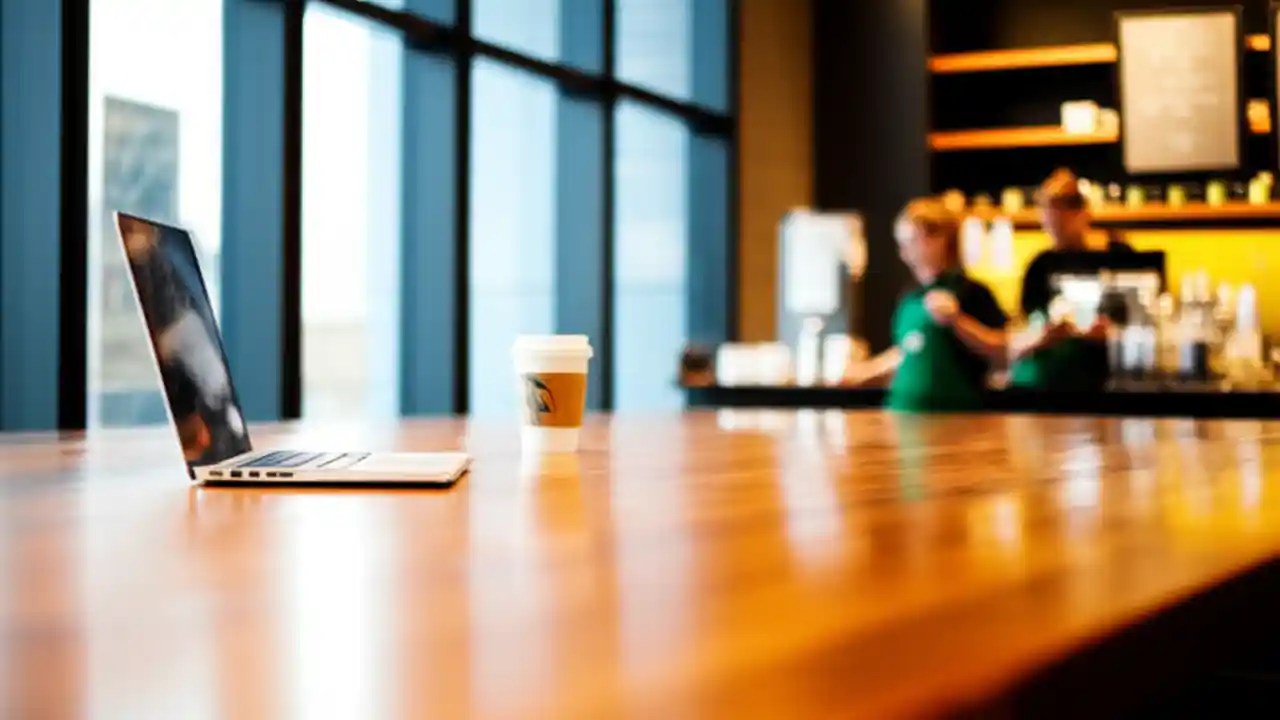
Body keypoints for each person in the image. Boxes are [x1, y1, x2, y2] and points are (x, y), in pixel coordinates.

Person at [845, 198, 1008, 412]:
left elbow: (1003, 352)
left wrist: (957, 321)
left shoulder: (972, 293)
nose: (903, 252)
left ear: (940, 239)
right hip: (902, 413)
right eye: (901, 243)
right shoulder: (911, 295)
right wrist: (862, 373)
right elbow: (907, 351)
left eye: (911, 241)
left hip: (955, 418)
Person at [1008, 168, 1133, 392]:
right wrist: (1045, 334)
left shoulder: (1119, 255)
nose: (1053, 230)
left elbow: (1145, 322)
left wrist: (1112, 333)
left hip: (1112, 380)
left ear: (1083, 214)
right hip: (1056, 382)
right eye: (1048, 222)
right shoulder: (1040, 266)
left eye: (1060, 221)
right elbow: (1023, 331)